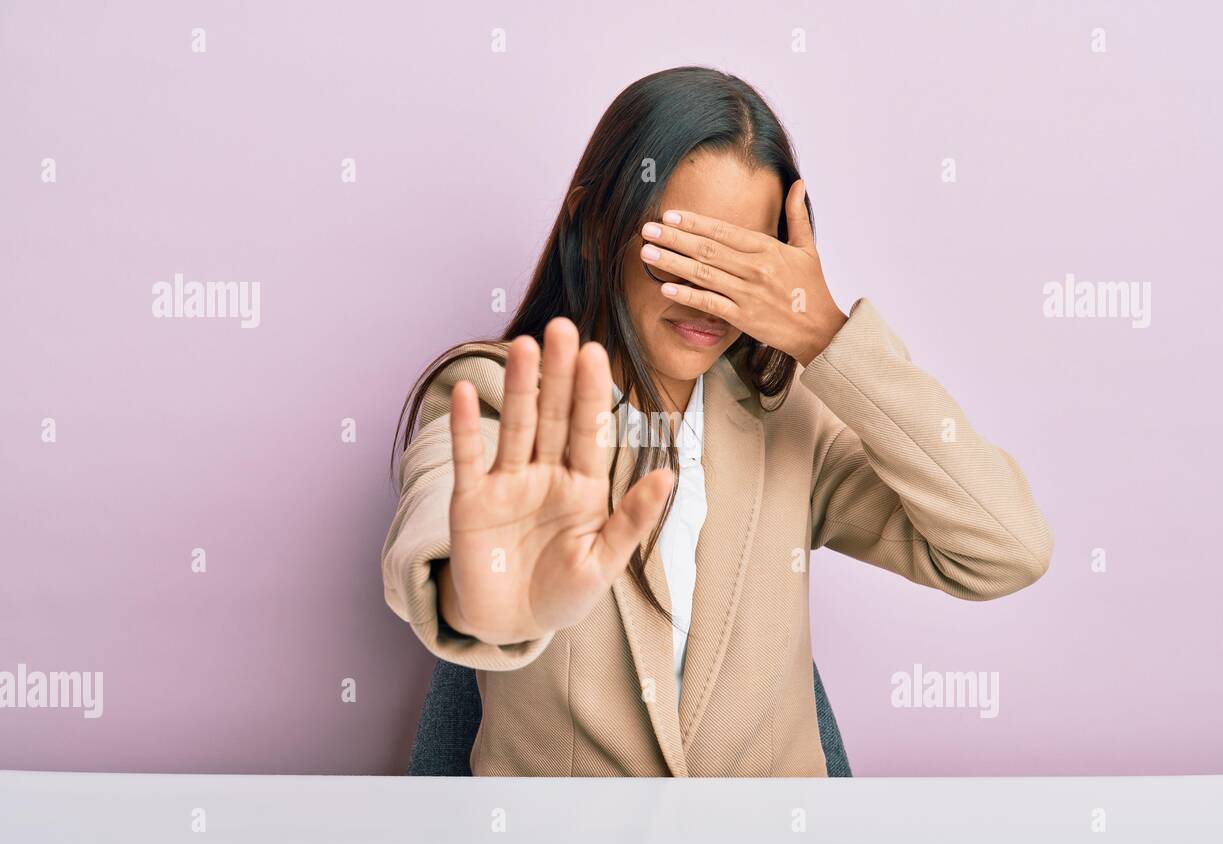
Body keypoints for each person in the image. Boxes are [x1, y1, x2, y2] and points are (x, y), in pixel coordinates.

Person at [382, 67, 1053, 777]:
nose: (711, 302)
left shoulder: (788, 421)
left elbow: (1007, 546)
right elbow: (435, 539)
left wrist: (826, 336)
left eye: (742, 267)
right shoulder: (496, 395)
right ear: (592, 228)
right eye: (683, 254)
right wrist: (493, 597)